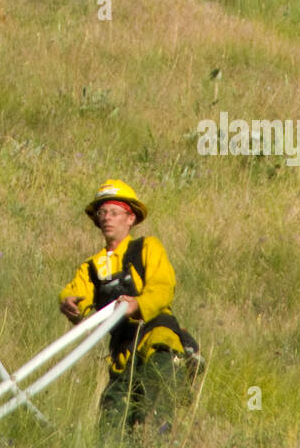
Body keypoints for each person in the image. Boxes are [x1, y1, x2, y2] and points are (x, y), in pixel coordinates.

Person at [59, 179, 199, 433]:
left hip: (159, 345)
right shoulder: (92, 266)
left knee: (153, 417)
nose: (106, 218)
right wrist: (67, 301)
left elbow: (163, 287)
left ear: (130, 218)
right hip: (123, 357)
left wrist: (138, 305)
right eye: (102, 213)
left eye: (114, 212)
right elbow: (75, 291)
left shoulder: (147, 247)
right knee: (111, 421)